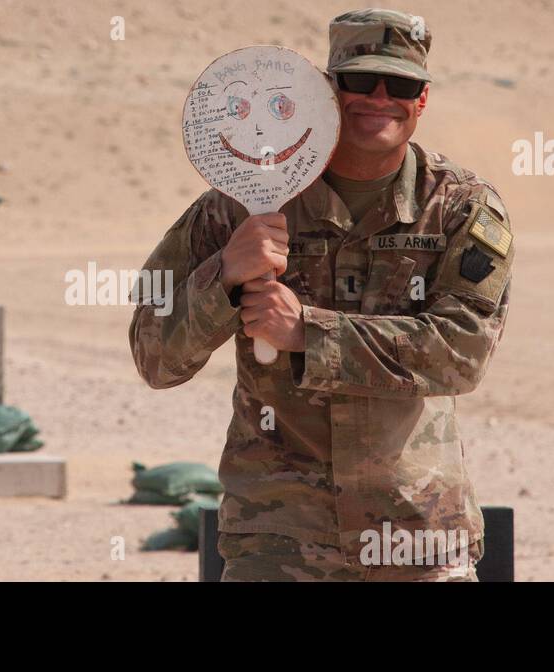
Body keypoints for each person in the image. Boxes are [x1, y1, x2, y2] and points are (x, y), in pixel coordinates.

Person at [128, 8, 514, 581]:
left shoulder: (460, 207)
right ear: (327, 92)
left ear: (422, 99)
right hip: (279, 535)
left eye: (401, 84)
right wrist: (225, 276)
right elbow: (154, 356)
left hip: (414, 535)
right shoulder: (238, 204)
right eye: (360, 80)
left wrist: (307, 332)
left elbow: (462, 353)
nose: (379, 97)